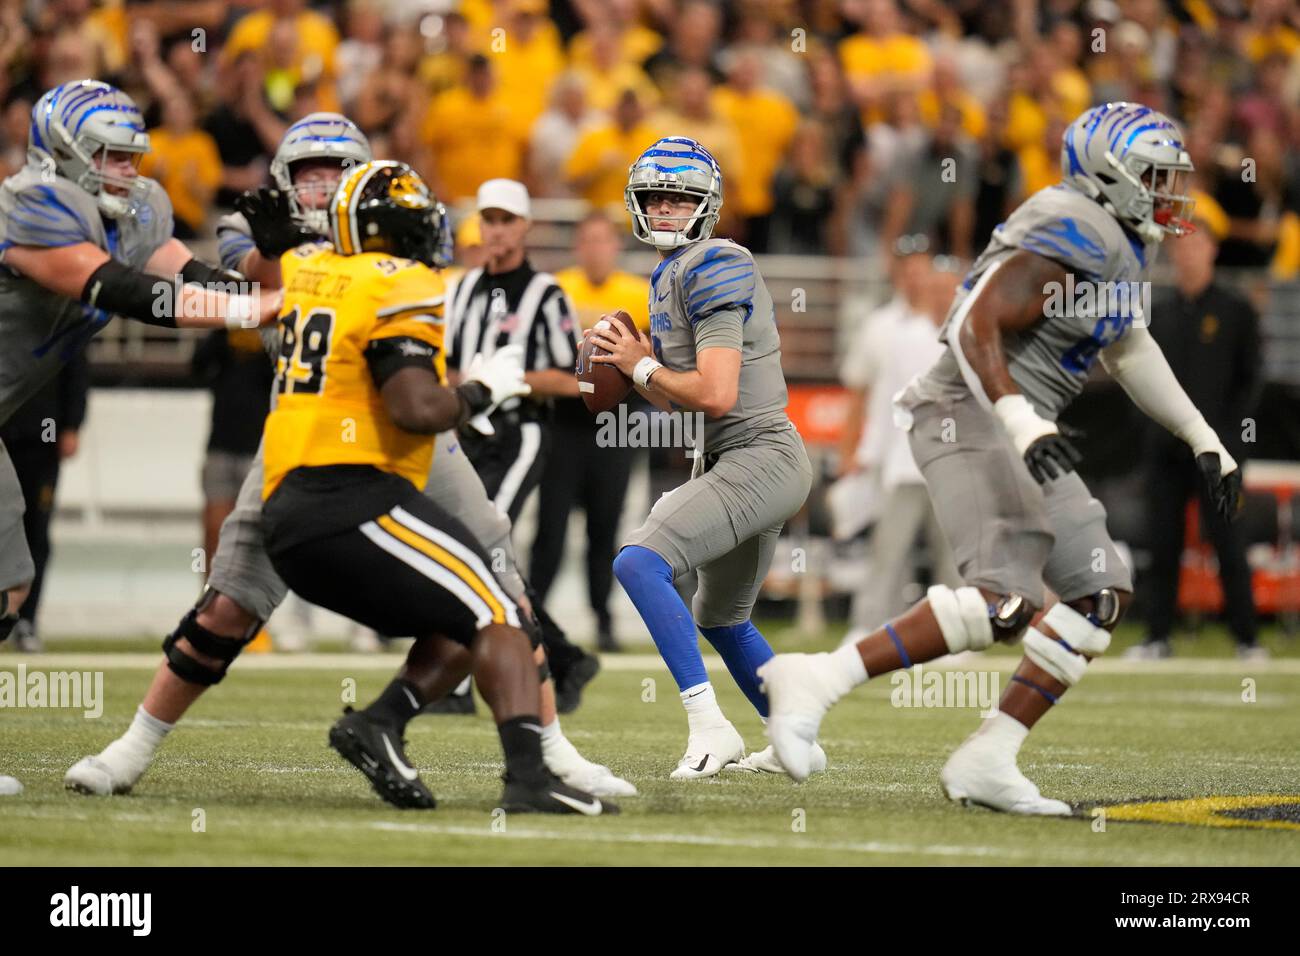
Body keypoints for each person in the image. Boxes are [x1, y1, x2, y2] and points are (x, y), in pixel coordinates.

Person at [66, 118, 632, 800]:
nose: (322, 185)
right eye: (308, 172)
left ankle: (551, 752)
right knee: (229, 602)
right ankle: (133, 747)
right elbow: (262, 287)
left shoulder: (382, 251)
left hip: (408, 426)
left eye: (337, 171)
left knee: (498, 571)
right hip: (308, 431)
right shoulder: (267, 233)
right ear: (284, 181)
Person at [760, 103, 1244, 815]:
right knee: (1005, 600)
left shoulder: (1121, 239)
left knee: (1098, 592)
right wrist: (1022, 421)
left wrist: (1202, 434)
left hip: (1013, 419)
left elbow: (1127, 345)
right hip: (969, 410)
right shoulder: (1075, 223)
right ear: (1114, 177)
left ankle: (988, 758)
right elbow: (972, 322)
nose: (1174, 191)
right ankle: (818, 678)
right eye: (1158, 176)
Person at [257, 160, 612, 814]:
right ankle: (530, 777)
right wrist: (481, 391)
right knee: (499, 607)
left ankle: (381, 723)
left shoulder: (311, 273)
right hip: (351, 497)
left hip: (287, 506)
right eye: (414, 227)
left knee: (462, 605)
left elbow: (274, 286)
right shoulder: (403, 282)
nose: (430, 239)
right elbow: (418, 409)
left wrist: (280, 247)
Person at [0, 80, 280, 795]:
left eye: (132, 156)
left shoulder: (137, 211)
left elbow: (190, 275)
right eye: (111, 156)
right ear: (64, 151)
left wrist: (281, 295)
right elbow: (124, 292)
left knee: (8, 583)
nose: (127, 170)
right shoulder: (31, 202)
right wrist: (253, 312)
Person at [590, 136, 815, 778]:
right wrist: (634, 374)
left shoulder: (716, 261)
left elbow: (716, 395)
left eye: (679, 197)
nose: (664, 209)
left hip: (757, 451)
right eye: (655, 198)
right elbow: (688, 403)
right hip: (734, 455)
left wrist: (643, 367)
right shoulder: (670, 274)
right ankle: (796, 738)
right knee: (720, 616)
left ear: (706, 205)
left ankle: (711, 728)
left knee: (638, 563)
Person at [435, 178, 597, 714]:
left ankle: (455, 684)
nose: (496, 230)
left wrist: (514, 379)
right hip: (467, 432)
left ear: (525, 226)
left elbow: (576, 378)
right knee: (477, 548)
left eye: (506, 220)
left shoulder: (546, 293)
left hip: (520, 430)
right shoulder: (459, 289)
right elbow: (447, 365)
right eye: (489, 219)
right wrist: (473, 380)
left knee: (479, 543)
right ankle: (566, 657)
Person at [1127, 212, 1264, 660]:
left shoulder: (1236, 311)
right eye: (1180, 247)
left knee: (1229, 542)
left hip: (1217, 451)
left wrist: (1229, 440)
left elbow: (1251, 381)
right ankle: (1156, 637)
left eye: (1195, 244)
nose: (1187, 254)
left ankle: (1246, 639)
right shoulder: (1159, 315)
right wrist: (1152, 429)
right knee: (1162, 544)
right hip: (1165, 450)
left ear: (1212, 250)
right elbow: (1136, 377)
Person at [536, 210, 649, 652]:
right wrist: (582, 385)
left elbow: (651, 361)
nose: (596, 250)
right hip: (564, 425)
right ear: (577, 246)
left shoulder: (638, 293)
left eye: (604, 241)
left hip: (615, 426)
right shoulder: (556, 289)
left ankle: (603, 619)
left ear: (615, 246)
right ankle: (538, 618)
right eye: (588, 241)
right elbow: (537, 363)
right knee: (551, 529)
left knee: (605, 529)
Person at [0, 351, 89, 652]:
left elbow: (76, 370)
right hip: (4, 437)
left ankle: (25, 619)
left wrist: (72, 425)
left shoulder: (60, 318)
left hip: (42, 443)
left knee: (36, 531)